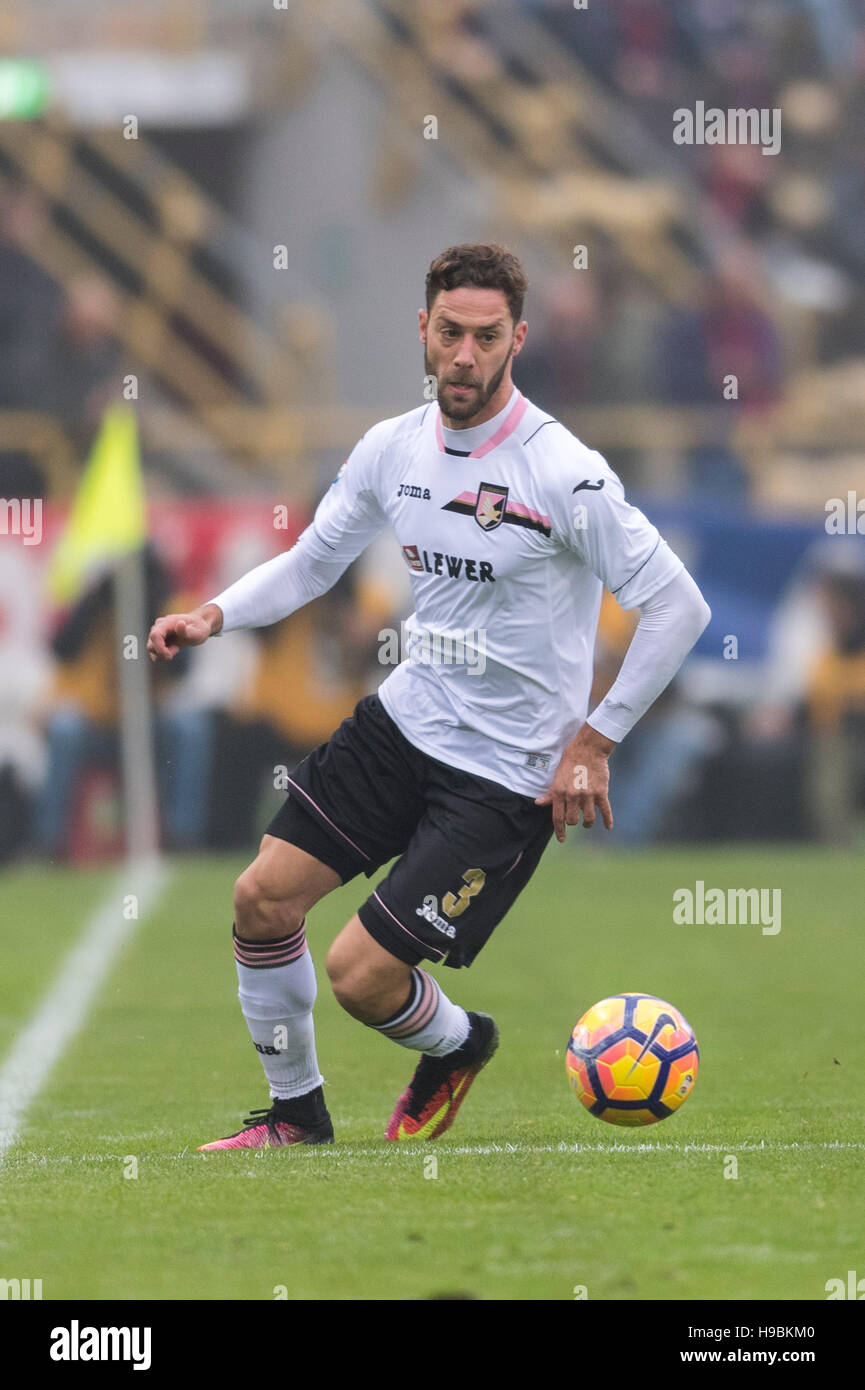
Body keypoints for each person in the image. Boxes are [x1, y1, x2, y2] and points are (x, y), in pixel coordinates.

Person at [147, 243, 711, 1150]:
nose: (463, 355)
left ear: (516, 340)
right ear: (423, 329)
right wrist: (213, 614)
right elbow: (311, 564)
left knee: (359, 976)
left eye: (486, 337)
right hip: (404, 725)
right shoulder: (392, 448)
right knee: (261, 900)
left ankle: (459, 1044)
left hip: (507, 773)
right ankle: (297, 1119)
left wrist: (595, 744)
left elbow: (678, 607)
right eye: (449, 332)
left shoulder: (561, 471)